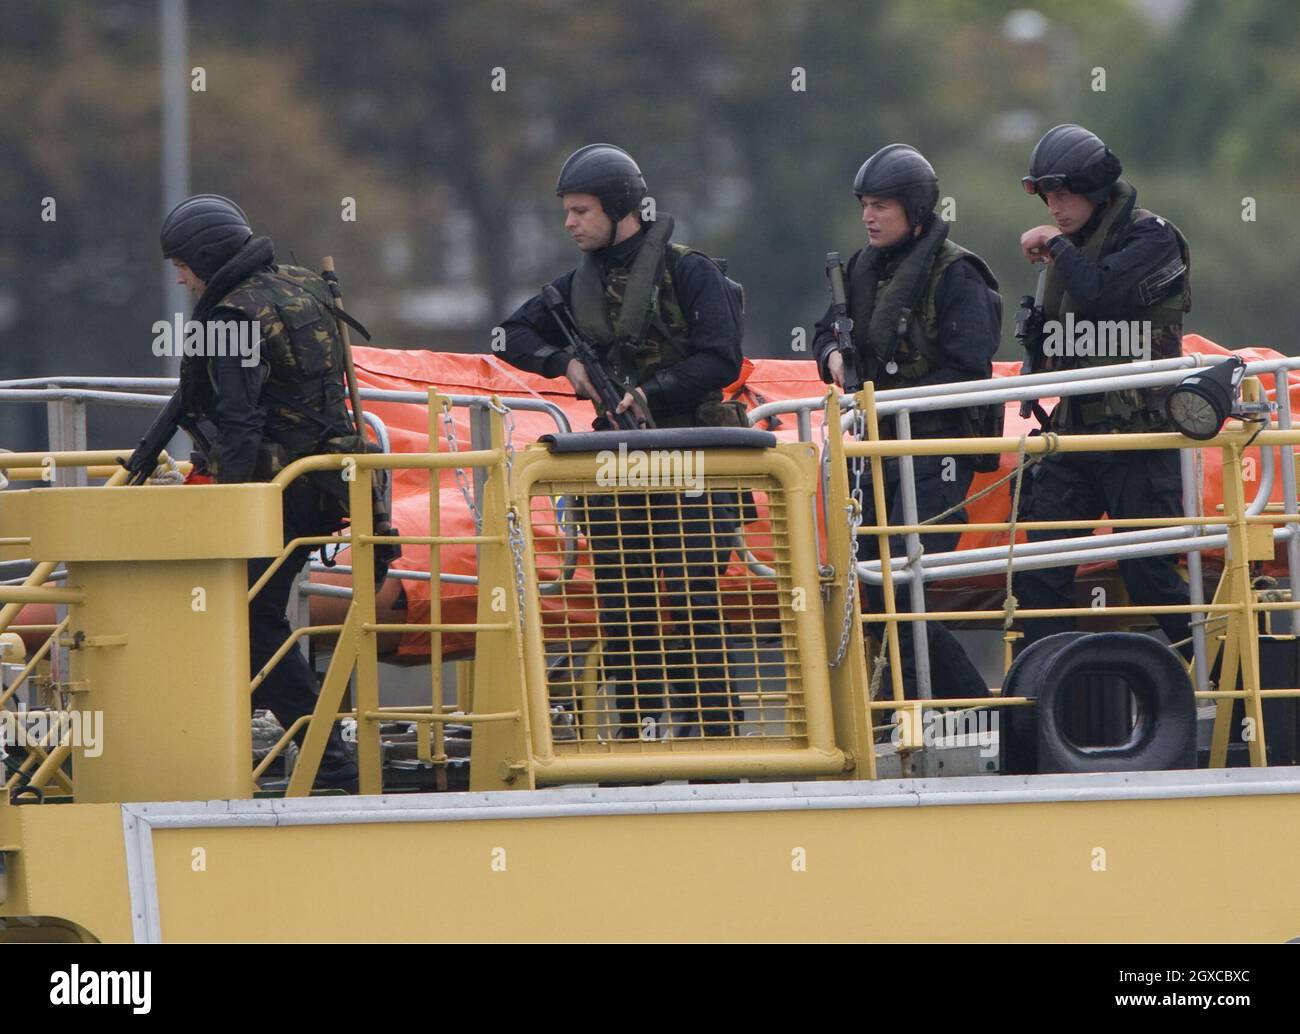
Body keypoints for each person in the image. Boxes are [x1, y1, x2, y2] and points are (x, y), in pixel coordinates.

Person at [501, 144, 746, 739]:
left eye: (582, 210)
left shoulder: (691, 273)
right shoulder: (573, 287)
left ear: (620, 209)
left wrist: (653, 393)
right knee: (621, 603)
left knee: (691, 599)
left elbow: (721, 357)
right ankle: (638, 727)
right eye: (568, 211)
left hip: (694, 450)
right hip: (614, 462)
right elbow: (507, 334)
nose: (570, 223)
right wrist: (565, 364)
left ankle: (714, 733)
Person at [159, 193, 393, 788]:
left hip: (277, 489)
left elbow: (239, 422)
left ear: (207, 258)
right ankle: (324, 740)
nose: (181, 278)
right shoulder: (300, 285)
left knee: (248, 615)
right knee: (257, 612)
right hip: (328, 484)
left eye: (182, 264)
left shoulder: (234, 315)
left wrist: (231, 509)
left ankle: (325, 754)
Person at [813, 144, 1001, 700]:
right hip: (877, 453)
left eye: (882, 206)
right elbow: (826, 329)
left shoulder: (958, 276)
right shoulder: (861, 270)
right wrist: (832, 356)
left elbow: (968, 368)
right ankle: (914, 711)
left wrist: (893, 400)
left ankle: (972, 710)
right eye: (865, 205)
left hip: (937, 454)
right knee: (874, 593)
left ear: (914, 210)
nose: (869, 216)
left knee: (909, 589)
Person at [1012, 124, 1193, 654]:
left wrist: (1057, 247)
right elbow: (1061, 335)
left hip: (1140, 440)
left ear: (1095, 192)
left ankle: (1223, 681)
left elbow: (1102, 293)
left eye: (1063, 195)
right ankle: (1041, 692)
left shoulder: (1153, 238)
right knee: (1040, 573)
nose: (1055, 208)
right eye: (1048, 198)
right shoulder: (1070, 248)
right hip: (1075, 440)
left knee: (1150, 578)